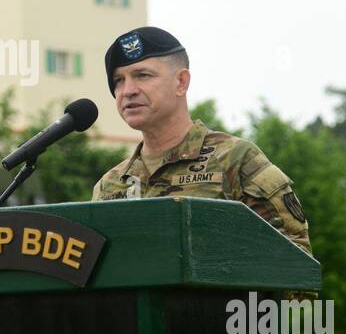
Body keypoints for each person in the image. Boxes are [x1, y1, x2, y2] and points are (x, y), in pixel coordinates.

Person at [91, 26, 312, 255]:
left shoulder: (235, 161)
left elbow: (295, 263)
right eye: (118, 80)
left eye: (142, 75)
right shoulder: (109, 186)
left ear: (181, 82)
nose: (128, 90)